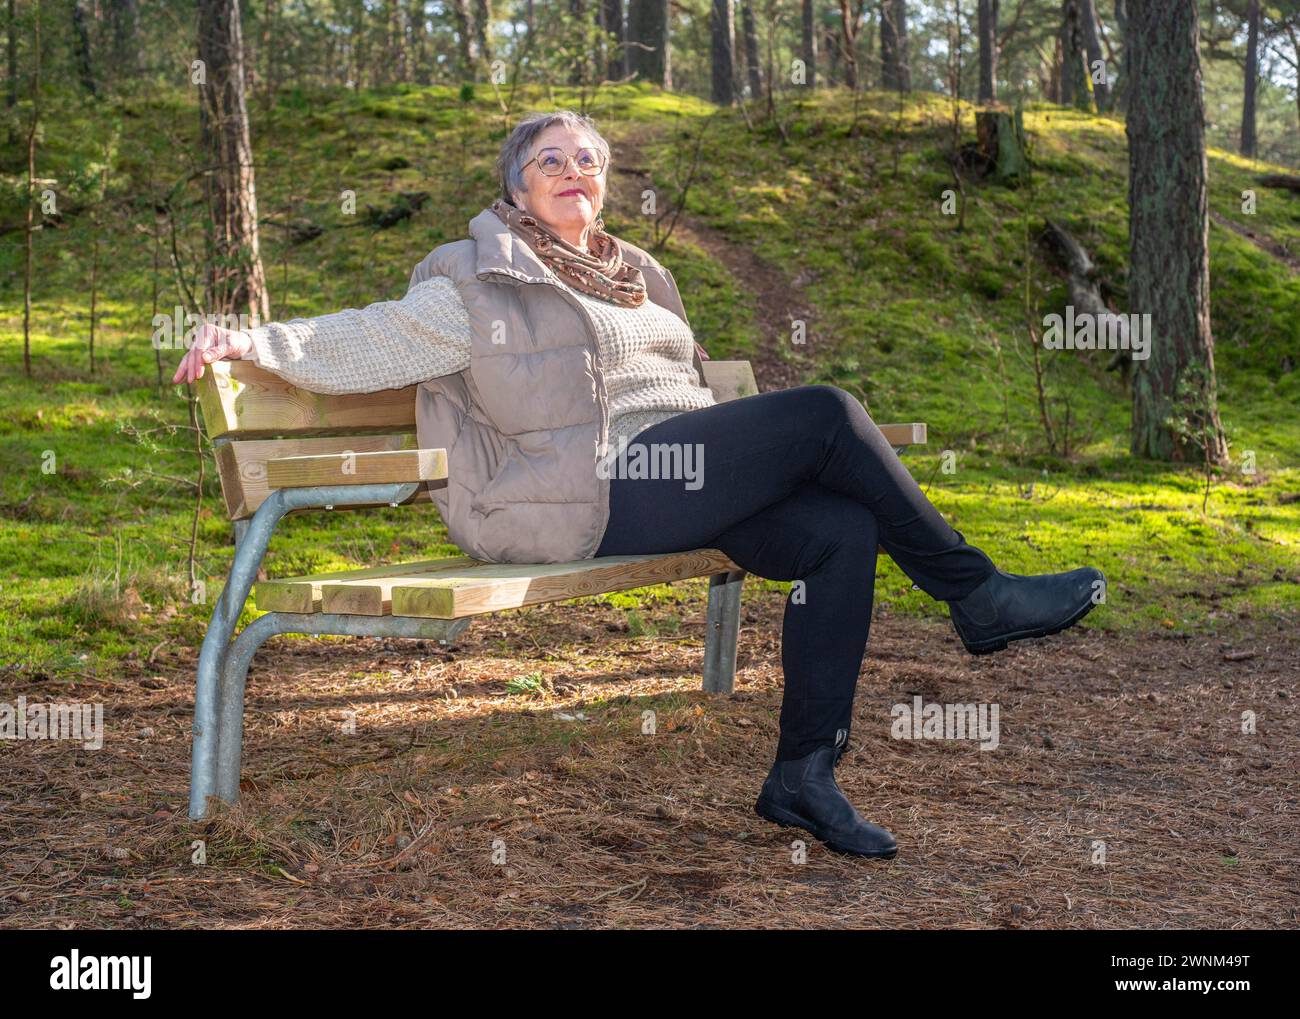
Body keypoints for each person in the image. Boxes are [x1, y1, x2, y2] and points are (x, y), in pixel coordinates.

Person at [173, 109, 1103, 860]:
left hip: (683, 475)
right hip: (592, 487)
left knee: (839, 535)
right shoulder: (477, 278)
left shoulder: (637, 276)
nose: (573, 169)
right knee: (823, 413)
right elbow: (372, 335)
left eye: (588, 157)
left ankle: (803, 778)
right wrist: (248, 339)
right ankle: (975, 595)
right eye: (549, 160)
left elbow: (682, 392)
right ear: (514, 188)